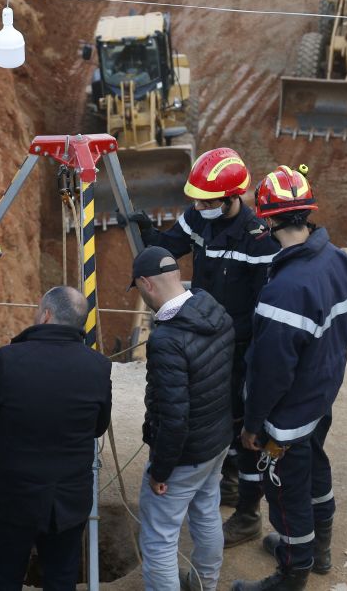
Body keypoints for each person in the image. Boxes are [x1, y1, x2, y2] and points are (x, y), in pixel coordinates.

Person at [122, 147, 279, 545]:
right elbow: (171, 245)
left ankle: (247, 514)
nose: (197, 206)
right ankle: (224, 482)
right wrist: (147, 232)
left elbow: (265, 305)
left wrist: (253, 355)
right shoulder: (198, 217)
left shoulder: (259, 238)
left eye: (207, 200)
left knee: (243, 425)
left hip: (240, 344)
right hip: (204, 335)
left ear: (231, 198)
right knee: (213, 418)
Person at [230, 166, 347, 591]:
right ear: (306, 213)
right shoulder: (339, 260)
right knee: (315, 465)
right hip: (319, 397)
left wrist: (253, 425)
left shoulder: (285, 290)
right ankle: (319, 549)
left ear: (267, 221)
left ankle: (292, 572)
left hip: (285, 418)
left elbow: (269, 373)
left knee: (285, 494)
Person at [0, 286, 112, 591]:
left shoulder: (9, 359)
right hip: (70, 499)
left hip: (16, 496)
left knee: (4, 574)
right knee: (61, 577)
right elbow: (98, 427)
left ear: (46, 314)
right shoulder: (99, 366)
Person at [130, 246, 235, 591]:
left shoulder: (167, 340)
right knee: (206, 511)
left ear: (146, 283)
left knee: (159, 538)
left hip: (185, 454)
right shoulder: (212, 307)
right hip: (217, 441)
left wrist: (161, 470)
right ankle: (206, 583)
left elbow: (174, 417)